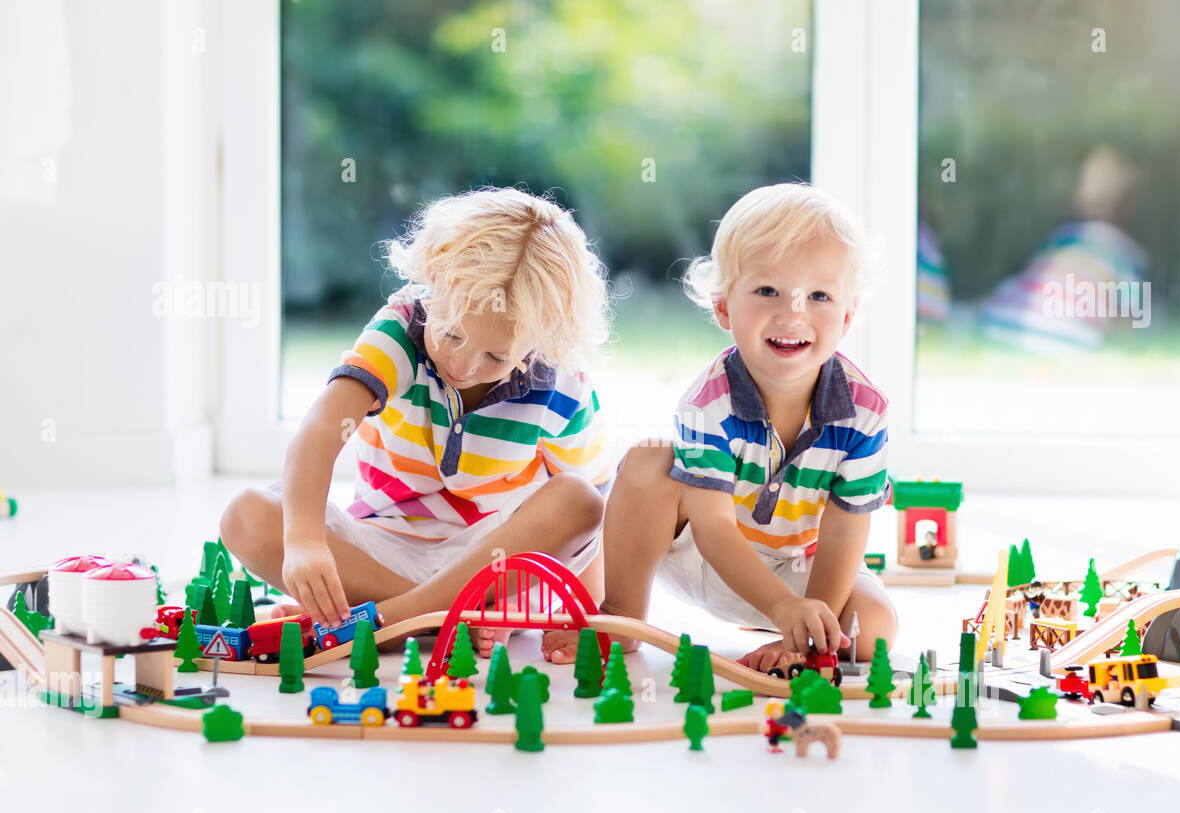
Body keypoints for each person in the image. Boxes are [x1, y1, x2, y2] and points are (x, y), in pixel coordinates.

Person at [221, 187, 612, 656]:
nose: (464, 365)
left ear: (542, 339)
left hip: (490, 566)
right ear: (433, 282)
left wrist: (586, 615)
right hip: (379, 548)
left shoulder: (560, 376)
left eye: (495, 355)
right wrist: (304, 542)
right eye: (451, 334)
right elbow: (322, 429)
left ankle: (388, 621)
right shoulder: (401, 329)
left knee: (579, 500)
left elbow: (589, 522)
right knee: (246, 517)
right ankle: (439, 619)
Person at [545, 183, 898, 674]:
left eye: (818, 295)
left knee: (876, 628)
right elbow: (713, 526)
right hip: (703, 555)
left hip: (797, 567)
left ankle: (784, 636)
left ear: (847, 314)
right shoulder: (708, 403)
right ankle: (619, 616)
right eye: (767, 290)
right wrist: (780, 608)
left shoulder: (865, 411)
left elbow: (844, 534)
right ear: (724, 307)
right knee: (651, 458)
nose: (792, 312)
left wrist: (806, 630)